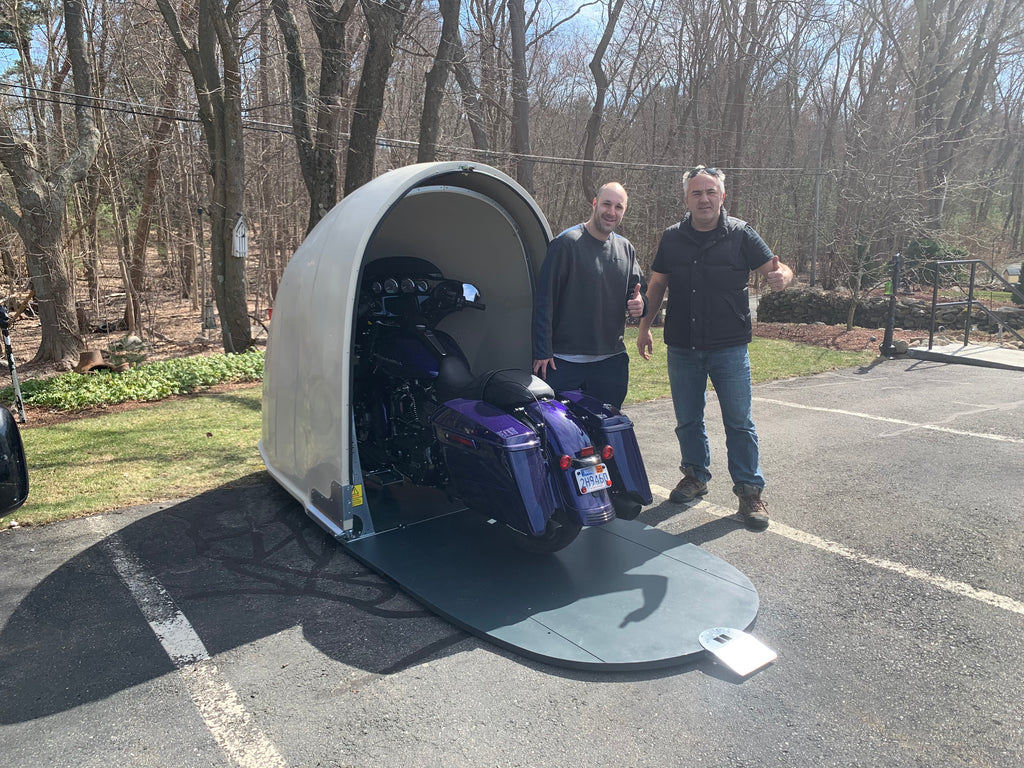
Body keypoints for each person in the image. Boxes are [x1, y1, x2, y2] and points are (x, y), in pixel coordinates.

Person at [636, 166, 793, 530]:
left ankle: (749, 492)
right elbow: (657, 285)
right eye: (697, 193)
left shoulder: (741, 234)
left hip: (730, 348)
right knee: (688, 419)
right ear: (686, 199)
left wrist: (781, 277)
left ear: (722, 197)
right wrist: (645, 327)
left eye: (710, 192)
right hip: (682, 347)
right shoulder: (672, 238)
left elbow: (779, 269)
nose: (704, 199)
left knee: (739, 422)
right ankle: (694, 476)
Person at [532, 182, 646, 409]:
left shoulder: (626, 249)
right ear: (595, 204)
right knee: (564, 437)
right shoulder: (566, 244)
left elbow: (638, 294)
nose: (611, 212)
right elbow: (544, 301)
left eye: (618, 207)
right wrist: (542, 351)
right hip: (563, 363)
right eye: (606, 204)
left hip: (610, 363)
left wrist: (640, 304)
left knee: (606, 436)